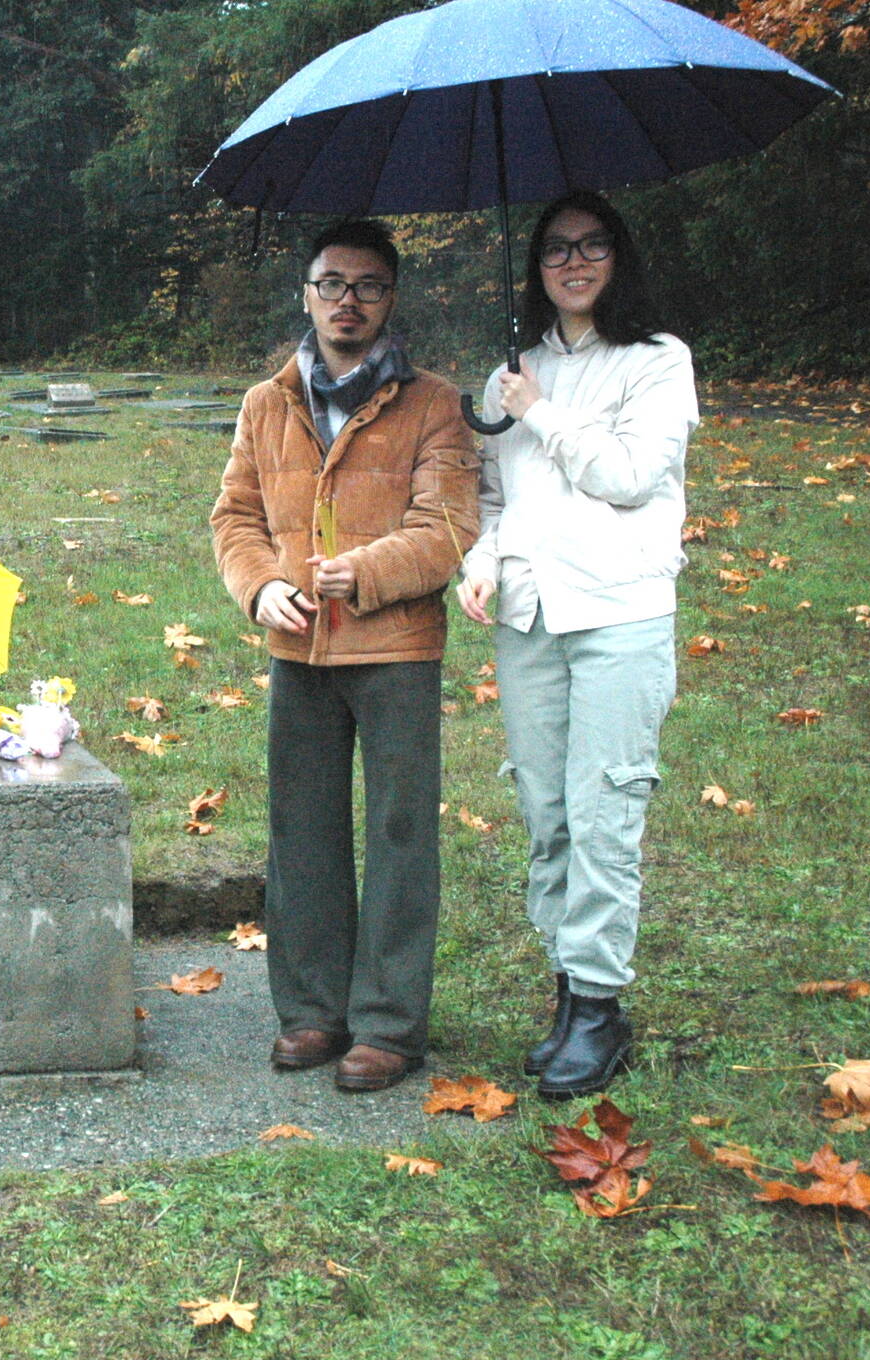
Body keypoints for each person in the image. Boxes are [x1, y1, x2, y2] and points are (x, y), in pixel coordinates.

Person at [210, 220, 479, 1092]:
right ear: (307, 295)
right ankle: (313, 1012)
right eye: (332, 284)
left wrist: (359, 573)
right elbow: (235, 517)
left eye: (367, 286)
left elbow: (447, 527)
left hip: (396, 648)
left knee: (401, 834)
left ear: (390, 299)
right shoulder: (266, 404)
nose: (347, 301)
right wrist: (260, 587)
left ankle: (390, 1025)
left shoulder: (434, 404)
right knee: (302, 831)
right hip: (298, 650)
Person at [457, 191, 696, 1100]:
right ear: (537, 267)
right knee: (547, 813)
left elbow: (630, 476)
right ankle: (568, 990)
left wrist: (543, 413)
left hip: (618, 612)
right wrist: (481, 562)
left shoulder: (657, 361)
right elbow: (496, 499)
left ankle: (600, 1006)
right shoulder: (510, 376)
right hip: (529, 619)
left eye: (593, 245)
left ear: (618, 257)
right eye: (557, 249)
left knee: (603, 810)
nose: (575, 262)